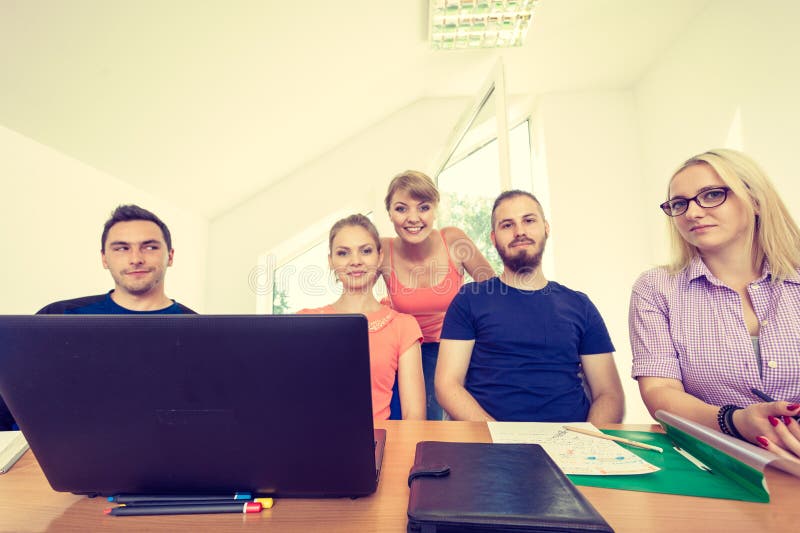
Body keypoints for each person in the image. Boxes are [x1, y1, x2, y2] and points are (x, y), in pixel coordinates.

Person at [630, 149, 800, 461]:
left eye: (711, 195)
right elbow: (660, 391)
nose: (692, 213)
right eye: (679, 204)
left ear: (756, 200)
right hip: (714, 462)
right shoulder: (655, 288)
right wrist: (736, 421)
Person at [435, 190, 625, 423]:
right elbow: (447, 385)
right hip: (492, 445)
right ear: (494, 239)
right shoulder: (470, 299)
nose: (520, 231)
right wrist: (499, 437)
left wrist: (588, 444)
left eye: (529, 220)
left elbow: (609, 394)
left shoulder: (580, 305)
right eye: (507, 225)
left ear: (546, 228)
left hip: (571, 445)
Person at [0, 204, 195, 430]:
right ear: (104, 259)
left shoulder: (201, 333)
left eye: (149, 247)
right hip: (54, 458)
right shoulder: (57, 318)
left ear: (170, 256)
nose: (135, 258)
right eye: (121, 248)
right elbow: (9, 407)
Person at [381, 170, 494, 420]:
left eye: (423, 207)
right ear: (389, 213)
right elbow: (357, 290)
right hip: (409, 349)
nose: (413, 218)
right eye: (401, 209)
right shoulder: (383, 249)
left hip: (453, 346)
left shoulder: (452, 240)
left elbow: (495, 295)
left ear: (435, 209)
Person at [299, 214, 426, 421]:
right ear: (331, 261)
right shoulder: (304, 322)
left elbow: (415, 416)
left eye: (365, 251)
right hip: (313, 443)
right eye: (343, 253)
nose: (355, 261)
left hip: (375, 445)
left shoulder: (403, 326)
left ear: (380, 256)